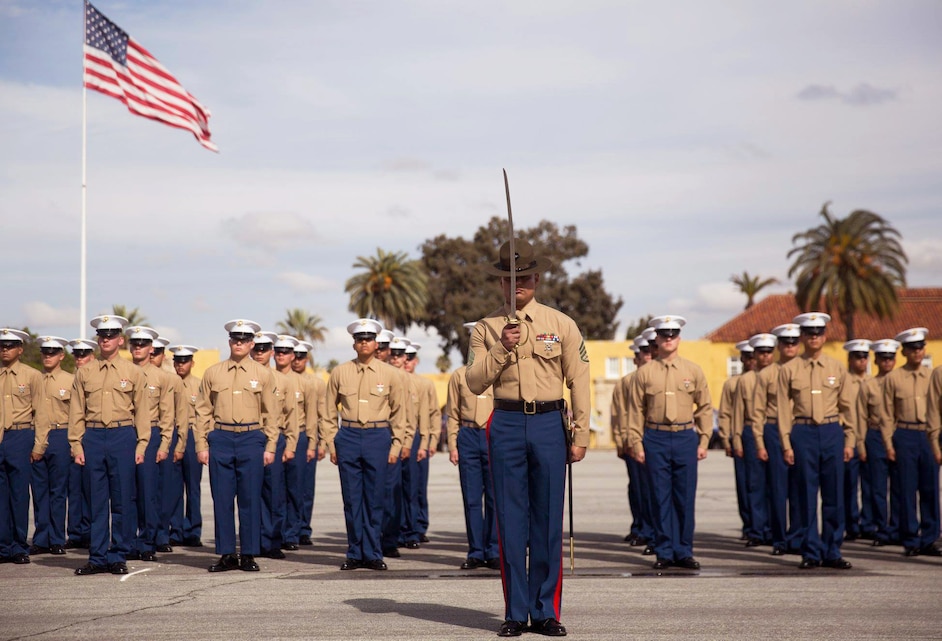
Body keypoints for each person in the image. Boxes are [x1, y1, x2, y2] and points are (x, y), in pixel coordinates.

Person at [467, 239, 589, 638]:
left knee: (548, 521)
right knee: (511, 522)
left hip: (550, 424)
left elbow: (579, 380)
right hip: (506, 423)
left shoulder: (561, 324)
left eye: (523, 277)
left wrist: (581, 432)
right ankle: (516, 611)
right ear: (500, 283)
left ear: (536, 278)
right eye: (508, 278)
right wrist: (503, 347)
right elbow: (474, 381)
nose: (515, 284)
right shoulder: (486, 328)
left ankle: (547, 610)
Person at [627, 315, 712, 572]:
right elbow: (635, 411)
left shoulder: (693, 370)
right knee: (660, 497)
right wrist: (636, 443)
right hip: (656, 436)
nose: (669, 339)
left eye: (673, 334)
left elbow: (705, 407)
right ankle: (664, 550)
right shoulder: (644, 373)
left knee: (684, 497)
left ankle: (684, 550)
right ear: (657, 339)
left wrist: (705, 439)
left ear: (679, 338)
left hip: (686, 436)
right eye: (664, 335)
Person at [69, 315, 150, 575]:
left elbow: (142, 413)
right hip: (93, 437)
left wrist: (141, 446)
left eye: (111, 335)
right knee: (96, 499)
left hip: (122, 435)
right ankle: (97, 556)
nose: (106, 339)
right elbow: (77, 411)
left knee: (123, 499)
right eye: (102, 335)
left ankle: (118, 554)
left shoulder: (134, 372)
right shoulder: (85, 372)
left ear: (120, 340)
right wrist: (76, 444)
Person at [195, 319, 277, 573]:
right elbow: (201, 410)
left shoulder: (263, 374)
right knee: (222, 499)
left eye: (244, 340)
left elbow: (272, 413)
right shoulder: (213, 373)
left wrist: (270, 446)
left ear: (252, 344)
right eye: (235, 339)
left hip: (251, 437)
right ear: (229, 341)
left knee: (250, 498)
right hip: (221, 437)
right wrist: (201, 443)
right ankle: (227, 553)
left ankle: (249, 553)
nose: (239, 343)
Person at [323, 319, 406, 571]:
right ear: (354, 344)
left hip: (377, 436)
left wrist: (395, 446)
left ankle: (372, 552)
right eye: (360, 339)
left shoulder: (390, 374)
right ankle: (354, 552)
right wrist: (331, 442)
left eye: (368, 339)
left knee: (374, 498)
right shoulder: (340, 372)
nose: (364, 343)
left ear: (376, 343)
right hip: (348, 436)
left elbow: (400, 412)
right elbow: (327, 410)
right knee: (352, 498)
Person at [775, 312, 855, 570]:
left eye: (818, 332)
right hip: (803, 432)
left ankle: (832, 550)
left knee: (834, 494)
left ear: (824, 335)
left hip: (832, 430)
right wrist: (786, 443)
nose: (814, 337)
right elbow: (783, 410)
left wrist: (850, 440)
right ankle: (810, 550)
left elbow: (847, 406)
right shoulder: (789, 369)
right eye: (809, 333)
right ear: (802, 337)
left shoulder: (836, 368)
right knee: (805, 495)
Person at [881, 327, 940, 557]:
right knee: (906, 489)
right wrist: (888, 443)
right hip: (904, 434)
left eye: (921, 347)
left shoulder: (932, 375)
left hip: (927, 434)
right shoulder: (894, 378)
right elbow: (886, 414)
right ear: (904, 351)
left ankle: (930, 537)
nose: (918, 352)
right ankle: (910, 538)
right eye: (913, 348)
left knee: (930, 488)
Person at [446, 321, 497, 570]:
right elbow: (452, 413)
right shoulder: (458, 376)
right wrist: (452, 444)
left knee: (496, 498)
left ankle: (495, 550)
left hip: (494, 436)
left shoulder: (502, 372)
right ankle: (476, 551)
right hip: (467, 435)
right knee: (472, 498)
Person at [125, 326, 176, 562]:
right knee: (125, 492)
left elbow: (168, 414)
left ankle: (146, 541)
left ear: (151, 348)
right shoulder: (121, 372)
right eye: (134, 343)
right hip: (125, 433)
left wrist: (165, 444)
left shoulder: (162, 378)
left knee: (148, 492)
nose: (138, 348)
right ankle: (126, 541)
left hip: (153, 433)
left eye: (143, 344)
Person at [751, 323, 802, 556]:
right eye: (785, 343)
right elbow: (757, 412)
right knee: (778, 488)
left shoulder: (806, 369)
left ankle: (800, 536)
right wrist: (760, 443)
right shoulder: (767, 374)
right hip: (773, 431)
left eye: (793, 342)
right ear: (778, 345)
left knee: (802, 487)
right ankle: (780, 538)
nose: (790, 346)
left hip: (801, 430)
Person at [0, 327, 45, 565]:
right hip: (0, 438)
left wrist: (39, 445)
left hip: (20, 436)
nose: (4, 350)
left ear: (20, 349)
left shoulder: (31, 376)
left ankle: (18, 545)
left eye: (9, 346)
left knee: (19, 495)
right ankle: (2, 545)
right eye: (2, 346)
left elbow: (42, 413)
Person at [30, 336, 73, 556]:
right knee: (39, 491)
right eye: (45, 353)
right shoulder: (33, 378)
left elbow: (77, 414)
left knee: (58, 491)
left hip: (60, 434)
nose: (48, 356)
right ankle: (41, 538)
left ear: (61, 355)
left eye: (53, 352)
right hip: (36, 435)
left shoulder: (70, 380)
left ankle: (57, 538)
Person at [260, 334, 300, 559]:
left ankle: (272, 541)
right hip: (250, 439)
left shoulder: (282, 380)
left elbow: (292, 415)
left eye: (264, 348)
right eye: (256, 348)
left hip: (275, 438)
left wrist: (291, 444)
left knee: (273, 493)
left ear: (271, 352)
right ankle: (252, 541)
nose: (259, 352)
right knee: (249, 494)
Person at [857, 339, 900, 546]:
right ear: (876, 360)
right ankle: (882, 529)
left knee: (901, 486)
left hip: (898, 434)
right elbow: (861, 417)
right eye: (883, 358)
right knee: (878, 487)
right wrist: (861, 445)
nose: (887, 362)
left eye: (890, 358)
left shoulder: (901, 381)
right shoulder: (868, 386)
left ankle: (899, 527)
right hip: (874, 436)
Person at [284, 339, 325, 550]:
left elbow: (319, 415)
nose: (297, 360)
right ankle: (286, 529)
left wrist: (319, 442)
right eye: (295, 356)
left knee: (305, 488)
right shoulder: (280, 379)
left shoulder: (314, 384)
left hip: (305, 438)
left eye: (301, 357)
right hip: (284, 437)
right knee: (284, 488)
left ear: (306, 359)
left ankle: (302, 528)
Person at [731, 338, 766, 547]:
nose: (753, 360)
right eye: (750, 357)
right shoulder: (742, 382)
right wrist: (735, 439)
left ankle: (774, 529)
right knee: (752, 484)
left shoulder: (779, 375)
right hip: (750, 431)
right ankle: (755, 528)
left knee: (776, 486)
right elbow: (733, 413)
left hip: (773, 431)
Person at [719, 340, 754, 542]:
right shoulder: (732, 383)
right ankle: (749, 524)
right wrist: (726, 438)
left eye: (753, 356)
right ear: (741, 359)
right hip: (740, 435)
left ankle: (765, 524)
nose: (750, 360)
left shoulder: (764, 379)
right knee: (744, 484)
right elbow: (725, 413)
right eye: (747, 357)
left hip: (762, 434)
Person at [168, 344, 203, 547]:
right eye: (177, 361)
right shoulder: (169, 383)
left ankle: (192, 530)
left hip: (192, 434)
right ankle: (176, 529)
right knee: (174, 486)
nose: (180, 365)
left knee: (193, 486)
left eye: (184, 361)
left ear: (192, 363)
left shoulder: (199, 385)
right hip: (173, 434)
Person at [405, 342, 439, 543]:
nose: (405, 361)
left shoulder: (424, 384)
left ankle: (418, 525)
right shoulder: (395, 381)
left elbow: (433, 413)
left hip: (418, 436)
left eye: (409, 358)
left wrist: (431, 440)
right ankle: (403, 526)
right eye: (400, 356)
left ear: (415, 361)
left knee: (416, 486)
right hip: (394, 437)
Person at [65, 338, 96, 550]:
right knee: (73, 489)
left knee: (92, 489)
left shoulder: (96, 377)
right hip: (70, 437)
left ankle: (90, 532)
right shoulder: (68, 380)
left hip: (92, 436)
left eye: (84, 355)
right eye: (77, 355)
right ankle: (75, 532)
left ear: (91, 356)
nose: (80, 359)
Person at [842, 339, 872, 541]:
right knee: (849, 486)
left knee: (871, 486)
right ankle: (851, 525)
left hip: (871, 437)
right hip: (849, 438)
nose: (861, 361)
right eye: (857, 357)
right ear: (850, 359)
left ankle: (869, 524)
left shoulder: (874, 382)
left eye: (864, 357)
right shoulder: (844, 381)